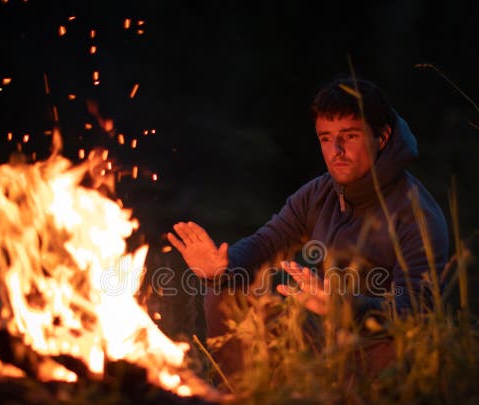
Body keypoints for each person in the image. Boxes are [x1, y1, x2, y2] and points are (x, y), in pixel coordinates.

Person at [166, 77, 449, 377]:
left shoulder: (415, 212)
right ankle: (245, 403)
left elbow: (417, 310)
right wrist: (222, 267)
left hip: (376, 347)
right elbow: (265, 244)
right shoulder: (318, 194)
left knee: (394, 348)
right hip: (322, 338)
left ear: (382, 137)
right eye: (325, 138)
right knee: (224, 292)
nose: (335, 150)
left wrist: (347, 308)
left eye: (349, 136)